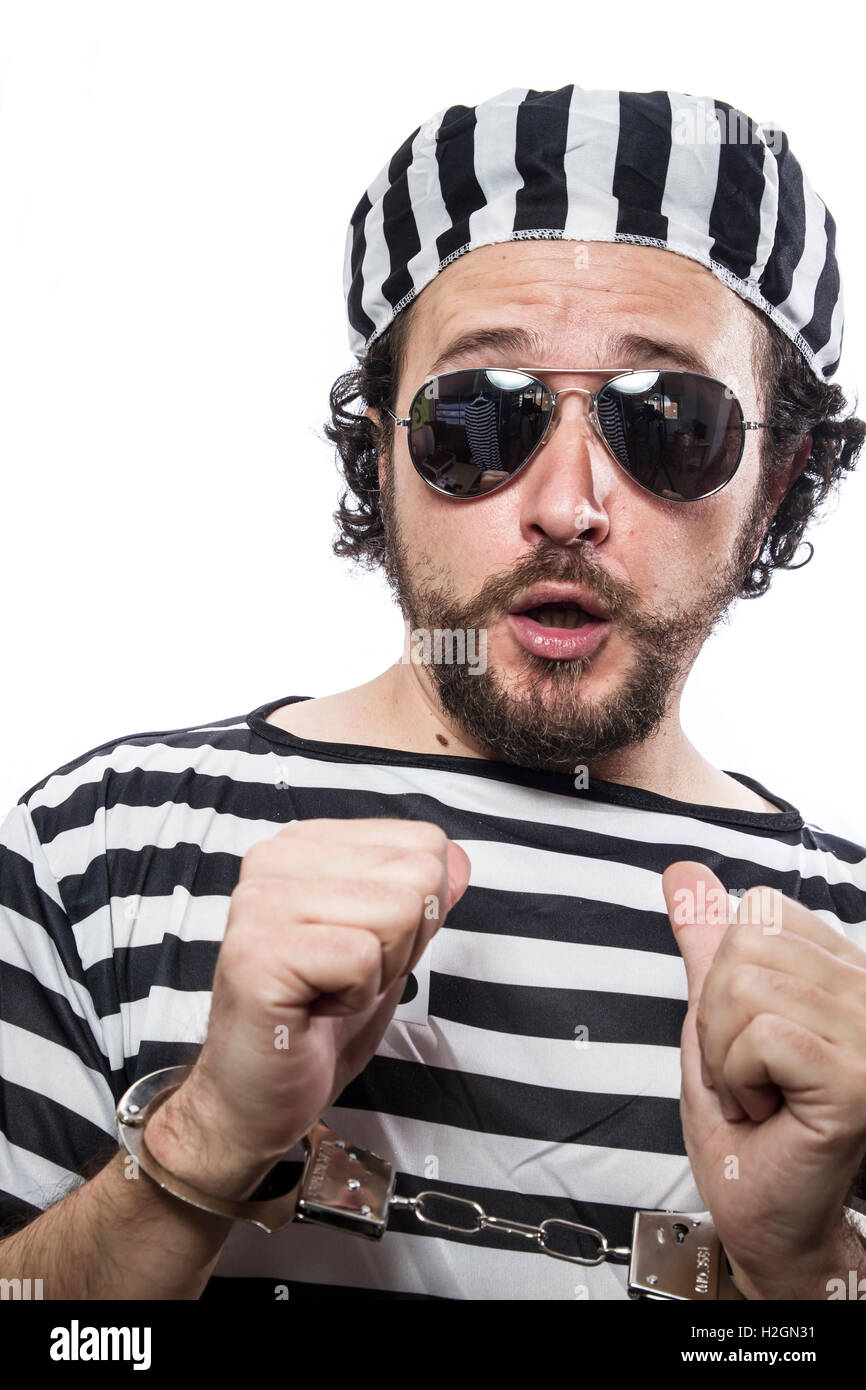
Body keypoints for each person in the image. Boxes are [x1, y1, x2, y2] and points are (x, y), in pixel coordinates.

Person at [2, 83, 866, 1302]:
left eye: (669, 422)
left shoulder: (849, 959)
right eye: (478, 416)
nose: (566, 504)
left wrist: (805, 1272)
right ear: (379, 448)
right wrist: (200, 1145)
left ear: (776, 479)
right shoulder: (105, 850)